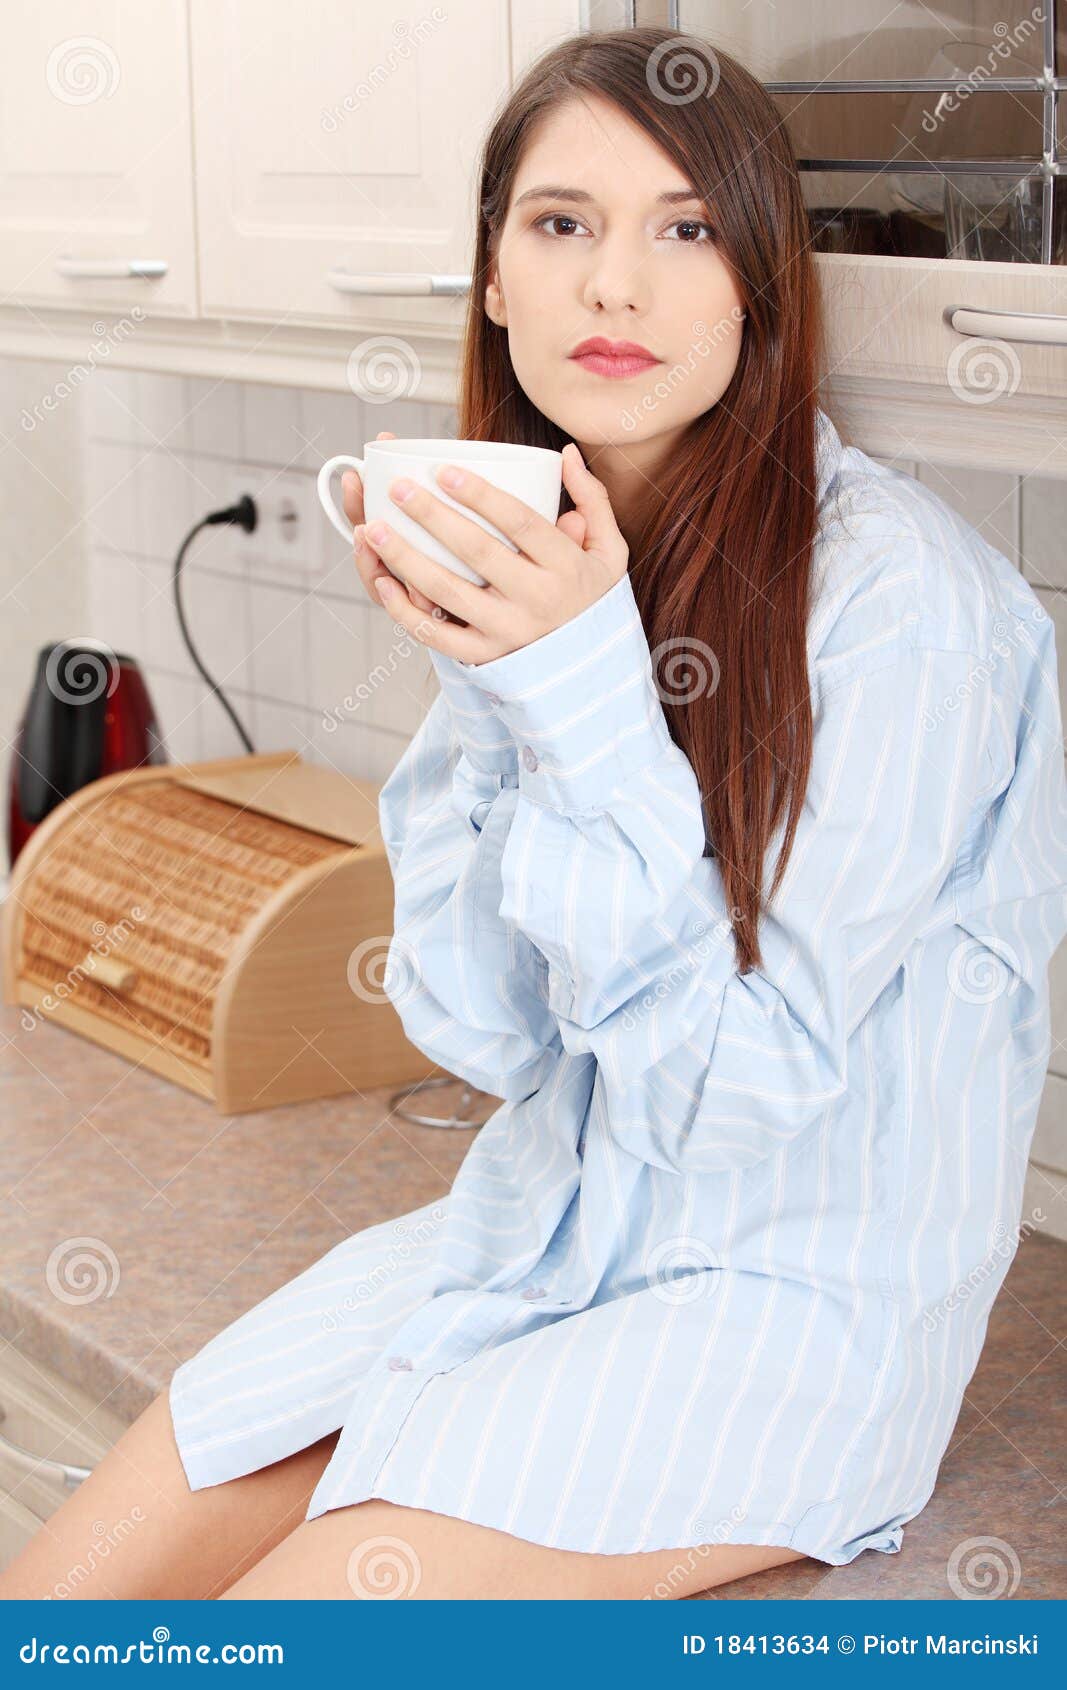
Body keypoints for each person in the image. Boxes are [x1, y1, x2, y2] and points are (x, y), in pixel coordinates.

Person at [3, 25, 1065, 1603]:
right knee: (67, 1596)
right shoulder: (548, 552)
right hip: (539, 1228)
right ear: (495, 278)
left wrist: (575, 698)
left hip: (785, 1316)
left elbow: (733, 1100)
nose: (613, 286)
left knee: (306, 1611)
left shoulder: (903, 613)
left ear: (758, 286)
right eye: (563, 223)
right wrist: (495, 681)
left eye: (685, 230)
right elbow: (487, 1033)